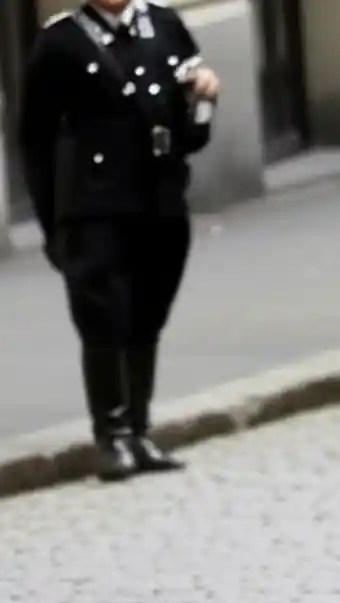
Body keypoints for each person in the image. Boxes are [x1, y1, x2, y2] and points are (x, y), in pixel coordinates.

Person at [18, 0, 220, 481]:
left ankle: (138, 429)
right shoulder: (60, 42)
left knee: (147, 316)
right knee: (103, 319)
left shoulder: (165, 26)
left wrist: (206, 98)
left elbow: (190, 135)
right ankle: (111, 436)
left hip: (160, 205)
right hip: (93, 209)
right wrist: (53, 224)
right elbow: (35, 140)